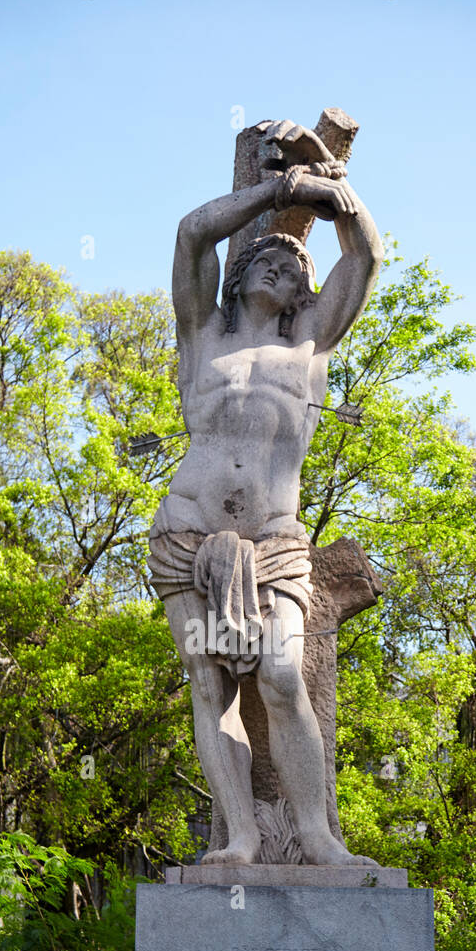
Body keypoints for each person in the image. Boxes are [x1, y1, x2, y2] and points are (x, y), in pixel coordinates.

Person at [148, 119, 384, 865]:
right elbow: (191, 235)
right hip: (186, 532)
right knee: (207, 681)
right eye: (268, 260)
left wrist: (330, 182)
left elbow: (368, 254)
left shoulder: (308, 344)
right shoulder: (202, 337)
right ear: (243, 269)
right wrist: (275, 191)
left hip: (275, 540)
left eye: (294, 268)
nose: (282, 269)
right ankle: (242, 836)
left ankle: (316, 838)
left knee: (283, 677)